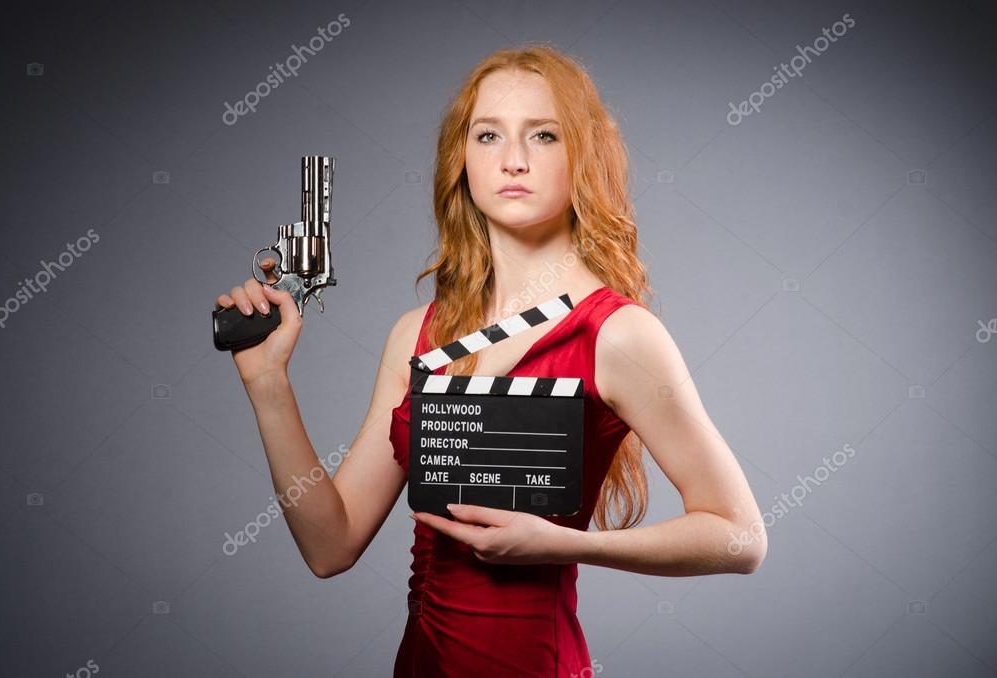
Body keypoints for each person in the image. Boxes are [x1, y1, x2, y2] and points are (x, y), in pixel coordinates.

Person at [215, 43, 767, 678]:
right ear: (463, 162)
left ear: (582, 157)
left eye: (544, 135)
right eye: (488, 135)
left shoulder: (618, 335)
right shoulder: (416, 336)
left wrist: (565, 545)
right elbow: (329, 545)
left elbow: (741, 536)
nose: (513, 160)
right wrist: (268, 384)